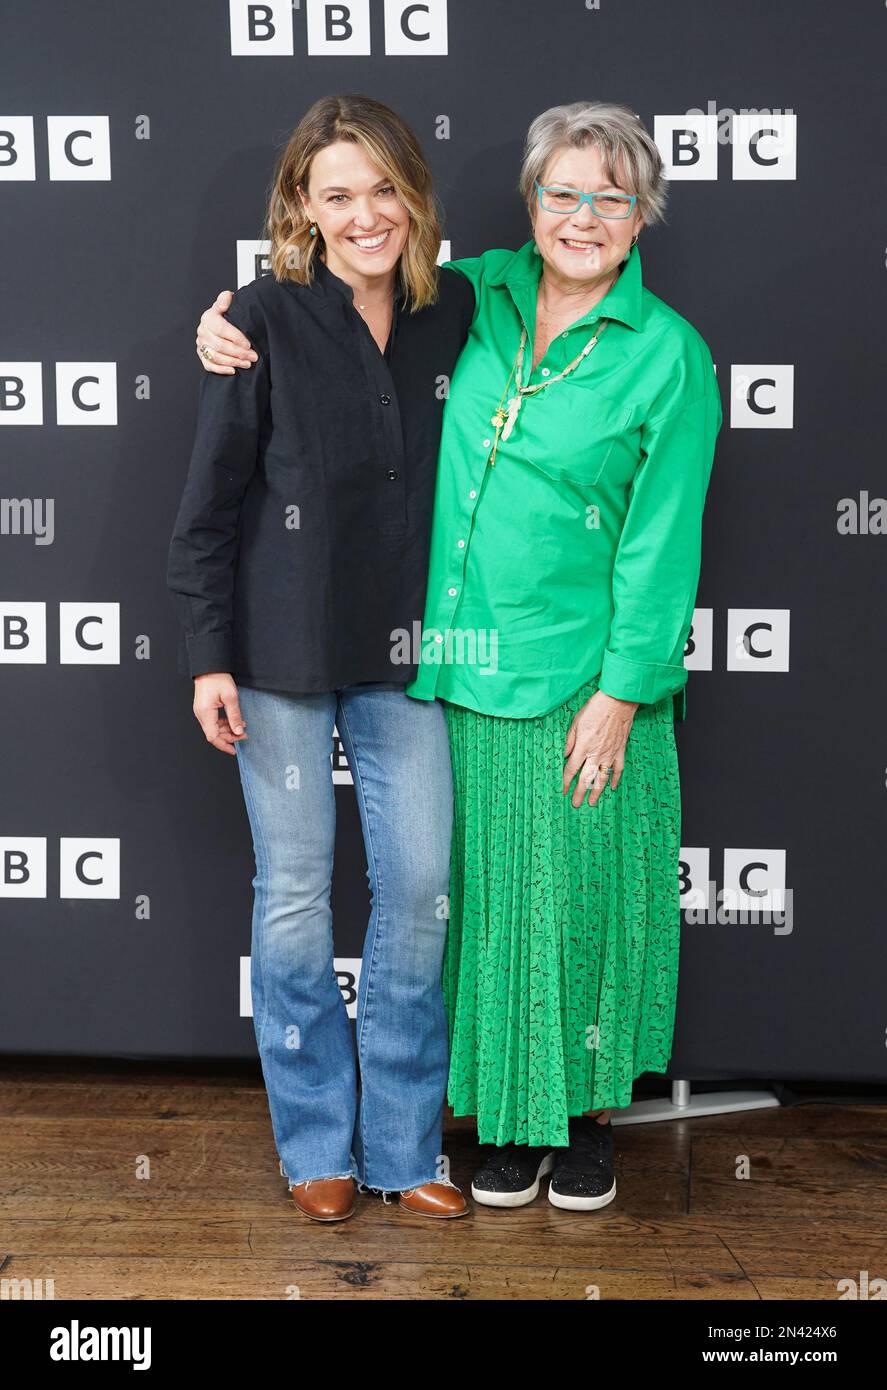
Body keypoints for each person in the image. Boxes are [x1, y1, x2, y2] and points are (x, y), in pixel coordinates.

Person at [194, 100, 722, 1214]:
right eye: (561, 193)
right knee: (374, 905)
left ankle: (468, 1138)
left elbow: (662, 542)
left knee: (493, 898)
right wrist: (223, 318)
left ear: (640, 216)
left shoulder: (579, 333)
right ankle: (347, 1148)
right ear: (527, 207)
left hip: (498, 671)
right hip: (370, 668)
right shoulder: (390, 304)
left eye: (609, 197)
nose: (582, 217)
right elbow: (213, 495)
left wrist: (626, 686)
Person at [167, 93, 475, 1222]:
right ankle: (316, 1146)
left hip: (409, 656)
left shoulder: (462, 309)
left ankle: (402, 1146)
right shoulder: (258, 315)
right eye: (337, 193)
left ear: (414, 195)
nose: (364, 215)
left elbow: (558, 269)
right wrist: (207, 656)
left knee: (422, 890)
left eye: (383, 189)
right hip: (277, 656)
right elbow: (206, 509)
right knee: (294, 895)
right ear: (301, 204)